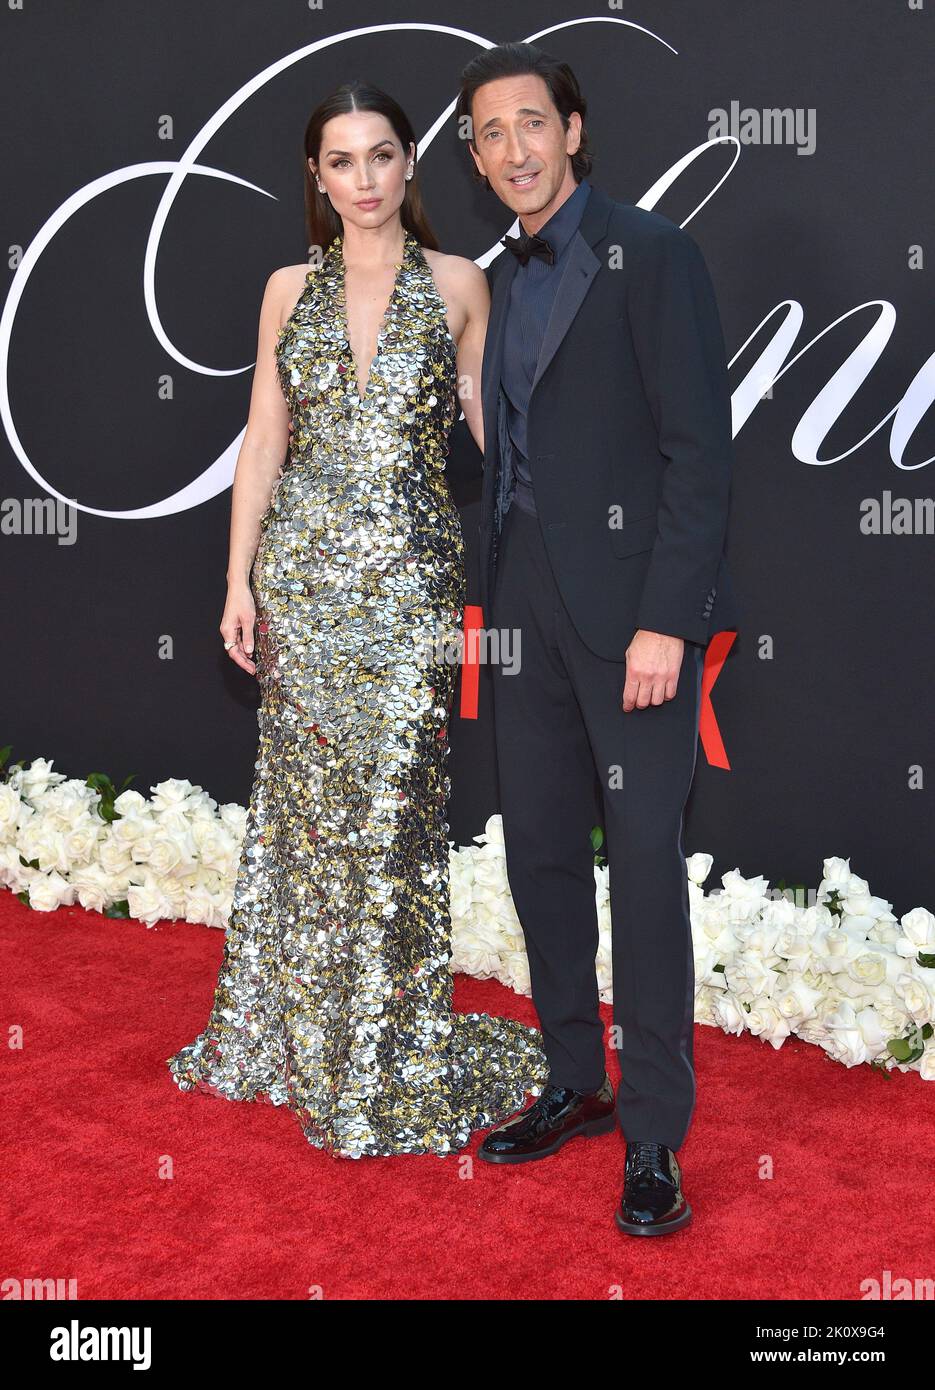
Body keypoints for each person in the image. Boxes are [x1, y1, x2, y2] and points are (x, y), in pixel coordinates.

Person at [166, 81, 549, 1159]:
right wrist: (239, 582)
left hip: (415, 586)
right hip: (304, 581)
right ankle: (301, 1030)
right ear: (317, 178)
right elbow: (262, 443)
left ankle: (385, 1049)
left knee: (392, 816)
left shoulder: (462, 284)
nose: (365, 179)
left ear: (410, 164)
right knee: (307, 816)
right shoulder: (287, 289)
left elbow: (495, 436)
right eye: (342, 161)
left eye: (382, 156)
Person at [455, 42, 740, 1233]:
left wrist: (666, 622)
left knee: (641, 871)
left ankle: (655, 1137)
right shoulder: (493, 279)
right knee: (539, 858)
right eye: (486, 135)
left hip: (631, 625)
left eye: (531, 124)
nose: (512, 150)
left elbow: (696, 455)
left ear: (572, 129)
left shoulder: (653, 254)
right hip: (519, 609)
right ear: (471, 157)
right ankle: (574, 1079)